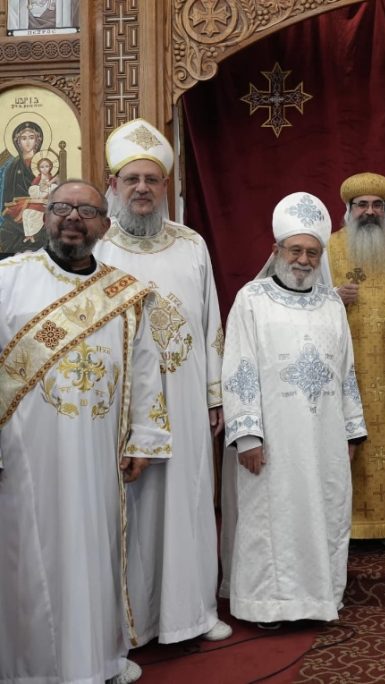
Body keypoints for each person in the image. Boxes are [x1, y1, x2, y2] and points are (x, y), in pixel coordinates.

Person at [0, 179, 172, 684]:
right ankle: (27, 670)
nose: (72, 217)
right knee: (26, 558)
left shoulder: (125, 294)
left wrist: (143, 438)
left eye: (86, 210)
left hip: (99, 455)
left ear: (104, 223)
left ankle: (95, 661)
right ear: (44, 216)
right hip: (23, 453)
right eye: (61, 208)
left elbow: (145, 370)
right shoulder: (7, 279)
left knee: (96, 553)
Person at [93, 118, 232, 645]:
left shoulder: (191, 245)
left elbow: (210, 320)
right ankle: (130, 623)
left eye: (152, 180)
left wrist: (215, 394)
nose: (143, 189)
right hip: (121, 403)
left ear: (166, 187)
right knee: (129, 508)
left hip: (186, 398)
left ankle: (192, 612)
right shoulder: (98, 250)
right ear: (114, 186)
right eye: (132, 180)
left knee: (190, 501)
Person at [222, 191, 366, 627]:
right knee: (273, 516)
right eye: (295, 250)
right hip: (272, 439)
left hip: (323, 435)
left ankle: (319, 599)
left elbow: (345, 369)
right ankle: (269, 605)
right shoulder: (252, 299)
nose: (303, 259)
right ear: (276, 250)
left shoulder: (331, 303)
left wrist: (352, 430)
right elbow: (239, 368)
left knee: (324, 509)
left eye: (312, 252)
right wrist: (248, 434)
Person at [327, 172, 385, 549]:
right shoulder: (325, 246)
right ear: (348, 210)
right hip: (341, 363)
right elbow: (300, 298)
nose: (369, 212)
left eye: (376, 205)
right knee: (344, 439)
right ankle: (347, 521)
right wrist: (333, 296)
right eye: (361, 205)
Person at [0, 120, 45, 252]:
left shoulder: (45, 162)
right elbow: (7, 197)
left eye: (31, 138)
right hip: (16, 213)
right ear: (17, 141)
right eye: (23, 138)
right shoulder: (12, 166)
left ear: (37, 140)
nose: (27, 142)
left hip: (41, 210)